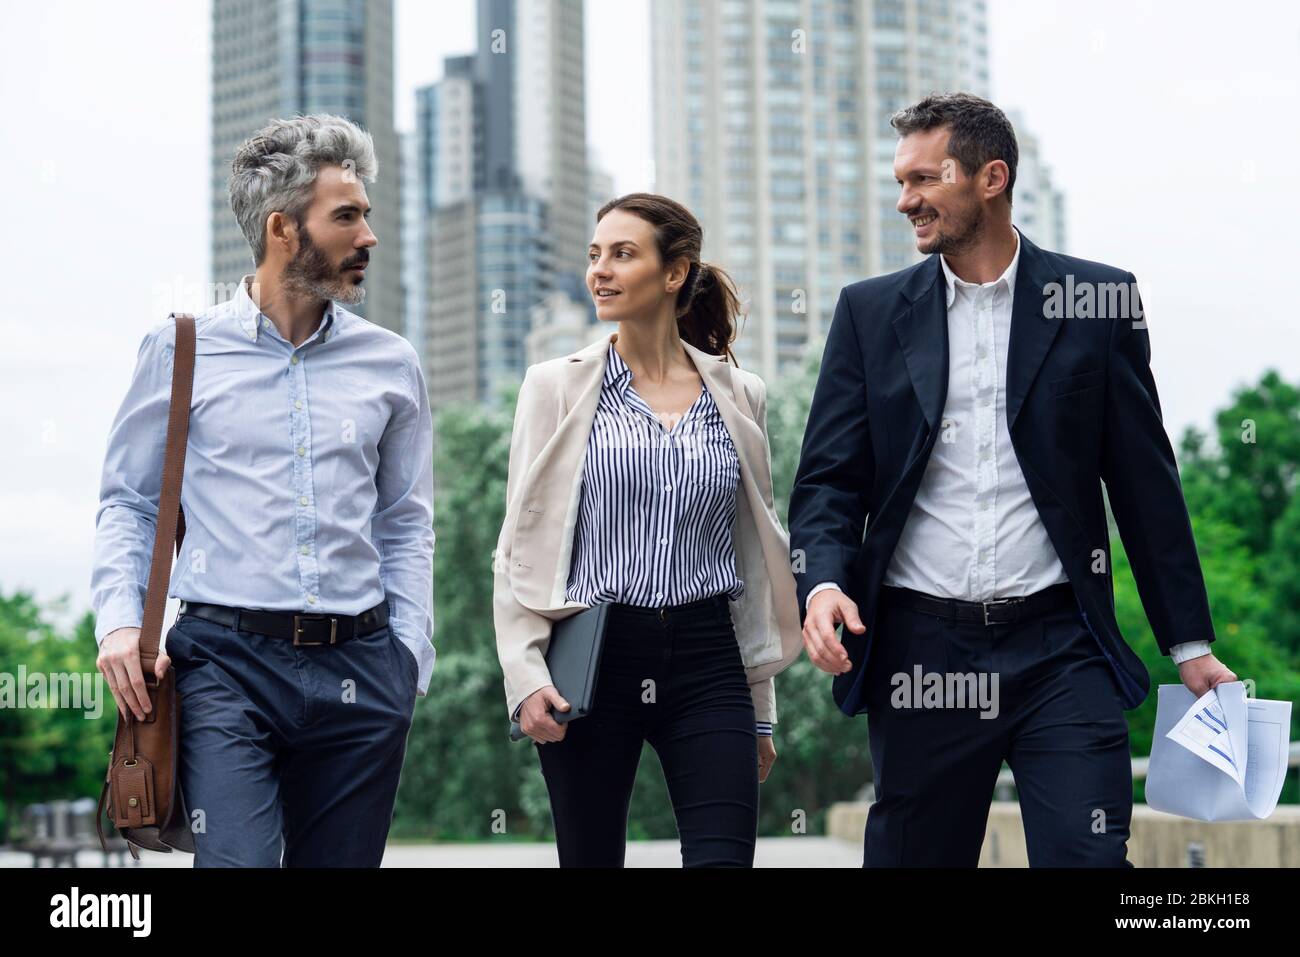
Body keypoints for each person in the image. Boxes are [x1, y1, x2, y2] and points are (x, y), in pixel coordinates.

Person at [788, 93, 1236, 867]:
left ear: (991, 177)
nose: (906, 201)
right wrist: (823, 584)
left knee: (1090, 858)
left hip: (1061, 645)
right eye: (901, 182)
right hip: (921, 649)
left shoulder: (1096, 303)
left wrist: (1187, 641)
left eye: (926, 179)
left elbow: (1145, 486)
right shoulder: (869, 314)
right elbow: (829, 480)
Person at [91, 113, 435, 867]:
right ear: (284, 229)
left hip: (364, 667)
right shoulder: (181, 349)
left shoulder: (392, 362)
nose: (368, 236)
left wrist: (410, 654)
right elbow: (129, 501)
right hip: (226, 665)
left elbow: (406, 521)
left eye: (367, 214)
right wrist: (119, 620)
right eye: (347, 216)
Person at [493, 193, 803, 867]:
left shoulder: (741, 393)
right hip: (592, 654)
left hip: (708, 656)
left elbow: (751, 555)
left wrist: (760, 705)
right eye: (594, 255)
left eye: (622, 254)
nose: (599, 270)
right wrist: (524, 676)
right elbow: (519, 544)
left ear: (673, 273)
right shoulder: (554, 386)